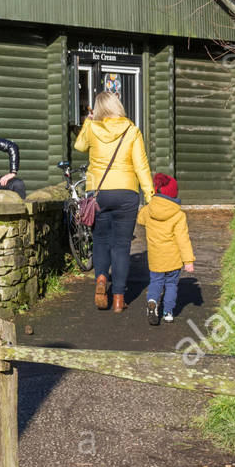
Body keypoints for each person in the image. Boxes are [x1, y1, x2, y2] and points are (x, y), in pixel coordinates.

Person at [73, 91, 154, 312]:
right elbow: (141, 165)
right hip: (126, 192)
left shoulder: (92, 128)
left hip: (98, 193)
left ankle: (100, 279)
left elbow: (79, 147)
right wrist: (150, 195)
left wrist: (87, 123)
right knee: (121, 245)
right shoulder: (132, 129)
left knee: (100, 241)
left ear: (99, 109)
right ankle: (119, 298)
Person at [137, 173, 196, 326]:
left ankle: (152, 301)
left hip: (156, 258)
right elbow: (183, 239)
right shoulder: (178, 215)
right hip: (174, 259)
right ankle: (168, 312)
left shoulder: (149, 210)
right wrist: (188, 261)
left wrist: (149, 202)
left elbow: (140, 219)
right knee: (171, 285)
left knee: (156, 282)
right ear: (173, 194)